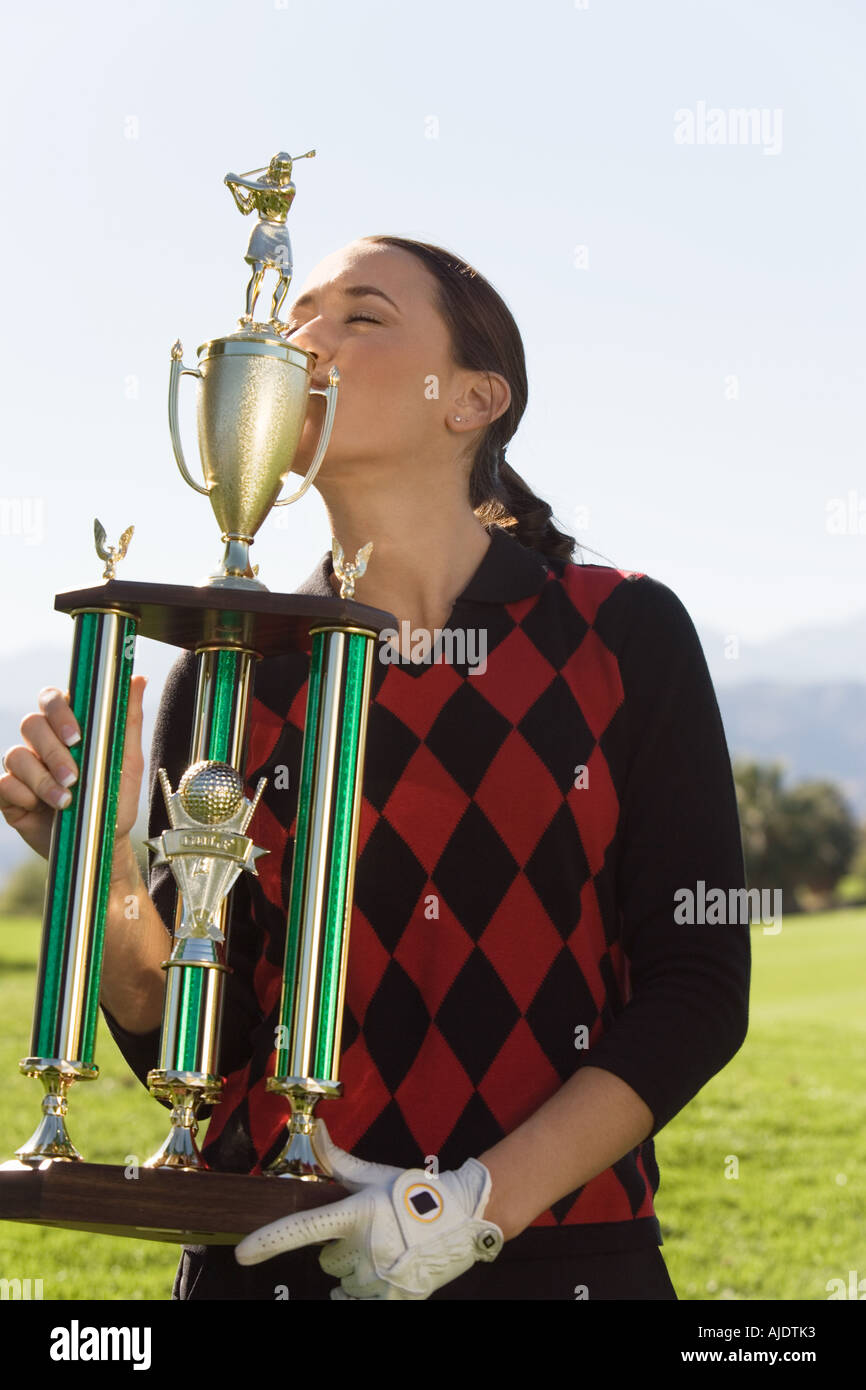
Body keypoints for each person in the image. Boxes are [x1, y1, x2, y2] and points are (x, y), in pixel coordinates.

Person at [0, 235, 751, 1301]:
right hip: (268, 1263)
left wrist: (470, 1207)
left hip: (556, 1267)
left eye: (361, 316)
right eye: (298, 314)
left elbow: (697, 988)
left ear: (473, 399)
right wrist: (106, 873)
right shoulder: (227, 671)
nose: (304, 340)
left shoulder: (618, 629)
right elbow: (197, 1057)